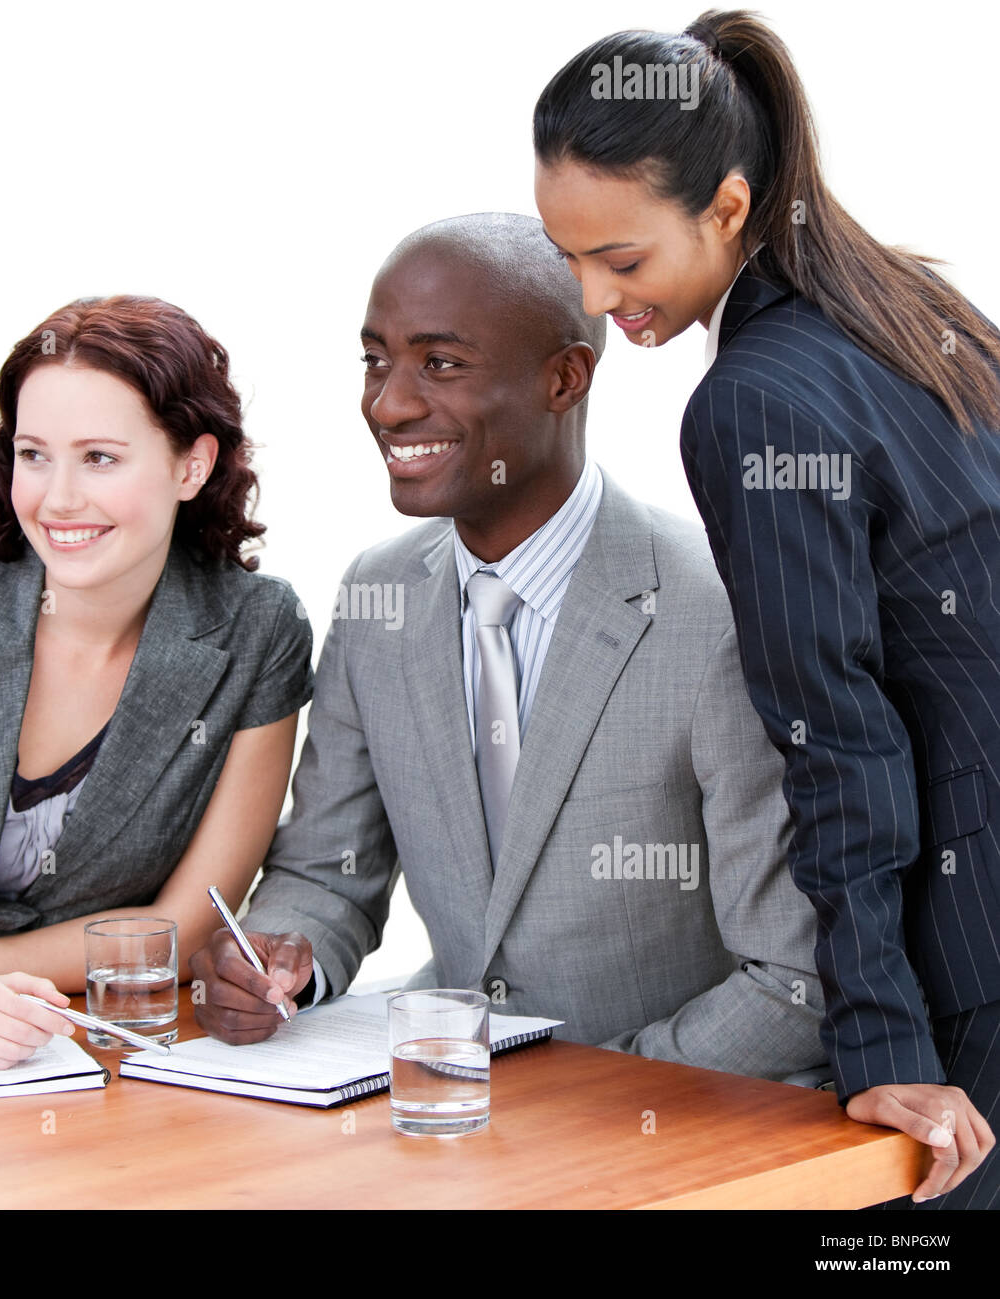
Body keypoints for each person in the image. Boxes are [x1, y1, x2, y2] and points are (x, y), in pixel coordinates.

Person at [532, 9, 1000, 1207]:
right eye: (566, 255)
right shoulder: (907, 310)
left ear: (728, 208)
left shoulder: (752, 404)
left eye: (622, 261)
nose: (591, 297)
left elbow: (834, 734)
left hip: (974, 945)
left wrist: (885, 1047)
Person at [190, 213, 828, 1086]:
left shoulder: (714, 611)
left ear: (566, 378)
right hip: (454, 1109)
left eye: (440, 363)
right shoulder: (378, 600)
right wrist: (279, 960)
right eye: (376, 360)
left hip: (671, 1119)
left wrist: (579, 1098)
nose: (389, 403)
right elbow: (328, 874)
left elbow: (793, 980)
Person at [0, 295, 313, 1069]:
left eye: (100, 457)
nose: (57, 498)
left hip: (121, 1048)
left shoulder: (256, 631)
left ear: (192, 464)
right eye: (34, 454)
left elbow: (179, 927)